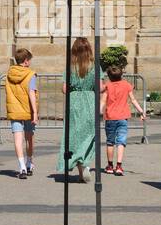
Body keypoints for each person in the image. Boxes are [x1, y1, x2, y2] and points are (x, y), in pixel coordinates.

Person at [57, 37, 95, 183]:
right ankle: (84, 163)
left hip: (74, 103)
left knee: (73, 135)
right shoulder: (94, 67)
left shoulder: (70, 67)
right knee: (89, 135)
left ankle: (79, 166)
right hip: (90, 102)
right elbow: (100, 87)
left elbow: (65, 89)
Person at [101, 66, 144, 176]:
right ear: (121, 75)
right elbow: (133, 99)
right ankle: (119, 166)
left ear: (109, 77)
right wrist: (141, 111)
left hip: (110, 117)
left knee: (110, 142)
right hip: (123, 118)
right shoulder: (126, 85)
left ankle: (110, 166)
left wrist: (97, 113)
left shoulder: (107, 86)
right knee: (121, 142)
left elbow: (102, 101)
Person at [5, 47, 39, 180]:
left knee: (18, 140)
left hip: (15, 110)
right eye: (29, 60)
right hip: (28, 111)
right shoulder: (30, 74)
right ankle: (29, 162)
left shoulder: (9, 73)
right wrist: (35, 112)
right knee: (29, 138)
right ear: (25, 61)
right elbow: (32, 94)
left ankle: (22, 167)